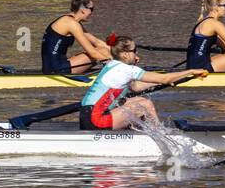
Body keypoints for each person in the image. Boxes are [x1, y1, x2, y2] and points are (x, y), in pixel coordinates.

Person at [80, 37, 208, 130]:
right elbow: (165, 79)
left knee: (141, 101)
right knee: (145, 106)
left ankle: (143, 132)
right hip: (96, 120)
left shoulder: (111, 64)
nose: (137, 55)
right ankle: (160, 134)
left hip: (87, 116)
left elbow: (136, 87)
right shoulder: (127, 70)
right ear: (125, 54)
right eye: (134, 51)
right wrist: (190, 71)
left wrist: (168, 81)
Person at [41, 0, 111, 74]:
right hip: (56, 69)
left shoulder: (71, 20)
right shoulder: (72, 24)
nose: (92, 12)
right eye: (91, 9)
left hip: (54, 65)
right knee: (103, 52)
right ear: (83, 10)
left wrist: (118, 51)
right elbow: (92, 53)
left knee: (104, 50)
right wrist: (114, 64)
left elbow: (96, 42)